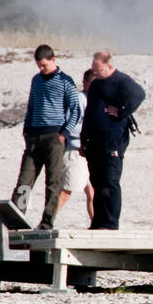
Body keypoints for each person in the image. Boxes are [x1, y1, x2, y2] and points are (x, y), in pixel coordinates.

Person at [12, 45, 80, 230]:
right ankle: (16, 218)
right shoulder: (36, 80)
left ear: (53, 60)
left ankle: (47, 221)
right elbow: (31, 105)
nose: (41, 69)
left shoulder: (65, 81)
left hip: (54, 137)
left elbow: (75, 109)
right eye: (38, 66)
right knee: (24, 181)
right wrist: (26, 128)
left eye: (44, 65)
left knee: (53, 181)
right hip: (33, 136)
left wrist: (64, 134)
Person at [80, 50, 145, 230]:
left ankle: (110, 223)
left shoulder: (121, 80)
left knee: (110, 182)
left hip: (113, 141)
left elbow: (139, 94)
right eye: (93, 69)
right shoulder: (95, 85)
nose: (95, 73)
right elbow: (89, 113)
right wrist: (83, 139)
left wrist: (122, 112)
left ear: (109, 65)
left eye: (98, 70)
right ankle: (98, 222)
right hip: (94, 141)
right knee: (97, 182)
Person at [57, 68, 95, 222]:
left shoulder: (94, 99)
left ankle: (97, 225)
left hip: (90, 153)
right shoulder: (79, 99)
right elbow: (71, 124)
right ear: (84, 83)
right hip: (76, 151)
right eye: (92, 84)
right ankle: (45, 223)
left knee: (92, 192)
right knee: (66, 191)